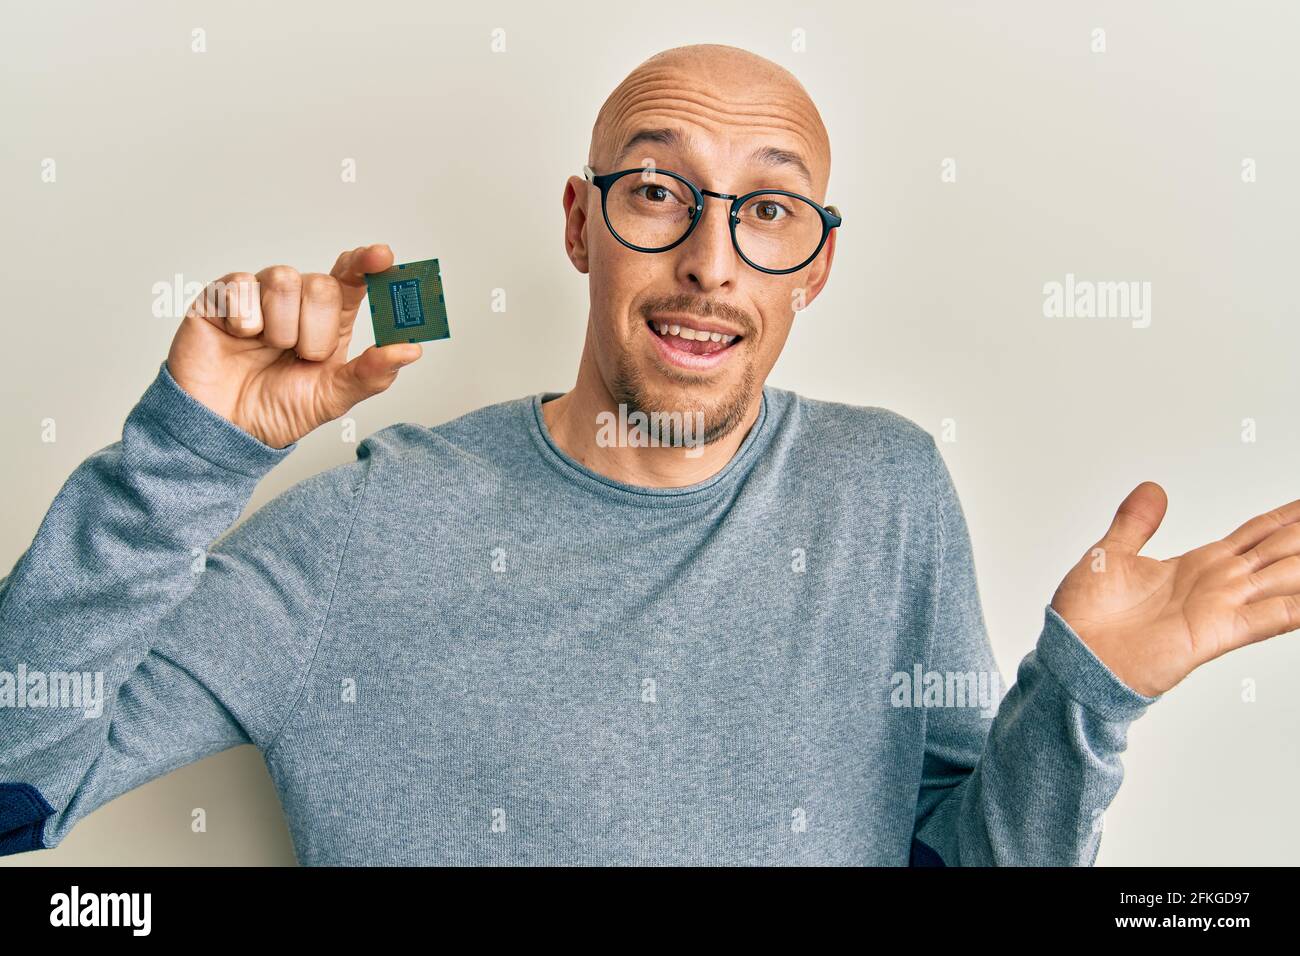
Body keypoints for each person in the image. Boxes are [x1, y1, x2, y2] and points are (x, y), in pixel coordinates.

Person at [2, 43, 1297, 866]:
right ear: (582, 223)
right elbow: (13, 796)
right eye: (658, 189)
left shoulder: (888, 486)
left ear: (818, 265)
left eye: (770, 209)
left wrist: (1081, 700)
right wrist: (186, 452)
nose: (712, 259)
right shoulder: (358, 535)